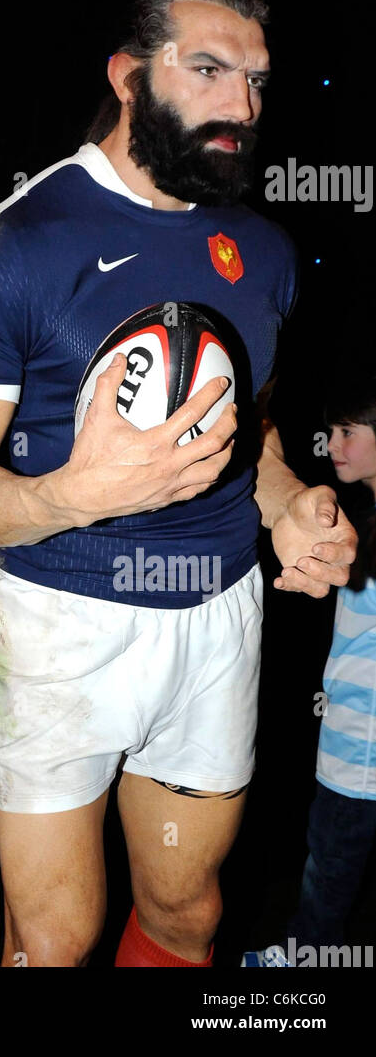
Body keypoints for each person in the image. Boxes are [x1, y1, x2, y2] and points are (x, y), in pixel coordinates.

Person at [0, 0, 358, 968]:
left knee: (187, 917)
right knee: (54, 936)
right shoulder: (11, 243)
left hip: (216, 618)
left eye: (254, 79)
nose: (240, 105)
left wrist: (291, 508)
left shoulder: (264, 247)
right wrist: (79, 492)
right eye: (206, 69)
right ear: (126, 75)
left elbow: (249, 437)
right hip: (57, 626)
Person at [243, 371, 376, 966]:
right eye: (330, 430)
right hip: (345, 740)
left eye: (348, 430)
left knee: (327, 883)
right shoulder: (355, 520)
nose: (333, 443)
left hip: (361, 756)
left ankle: (295, 975)